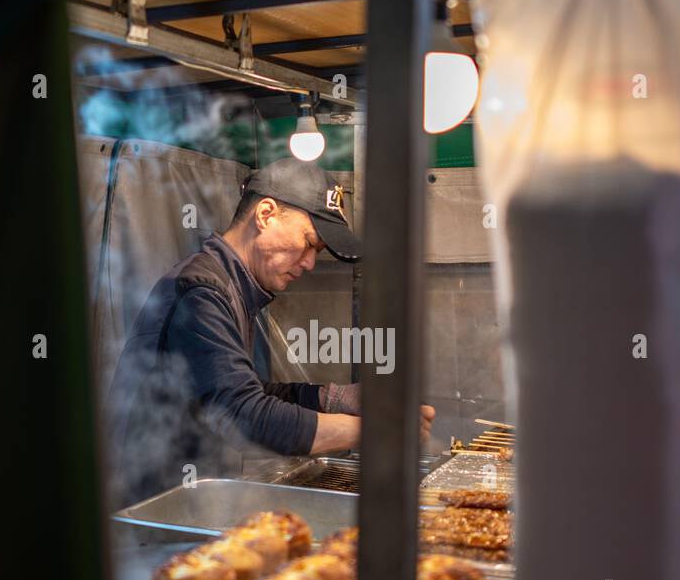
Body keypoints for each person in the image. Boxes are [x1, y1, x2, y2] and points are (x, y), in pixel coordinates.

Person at [108, 156, 435, 504]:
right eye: (308, 242)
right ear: (265, 215)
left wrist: (333, 399)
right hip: (155, 513)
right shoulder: (202, 290)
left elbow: (237, 389)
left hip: (192, 502)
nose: (309, 263)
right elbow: (243, 414)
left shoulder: (231, 285)